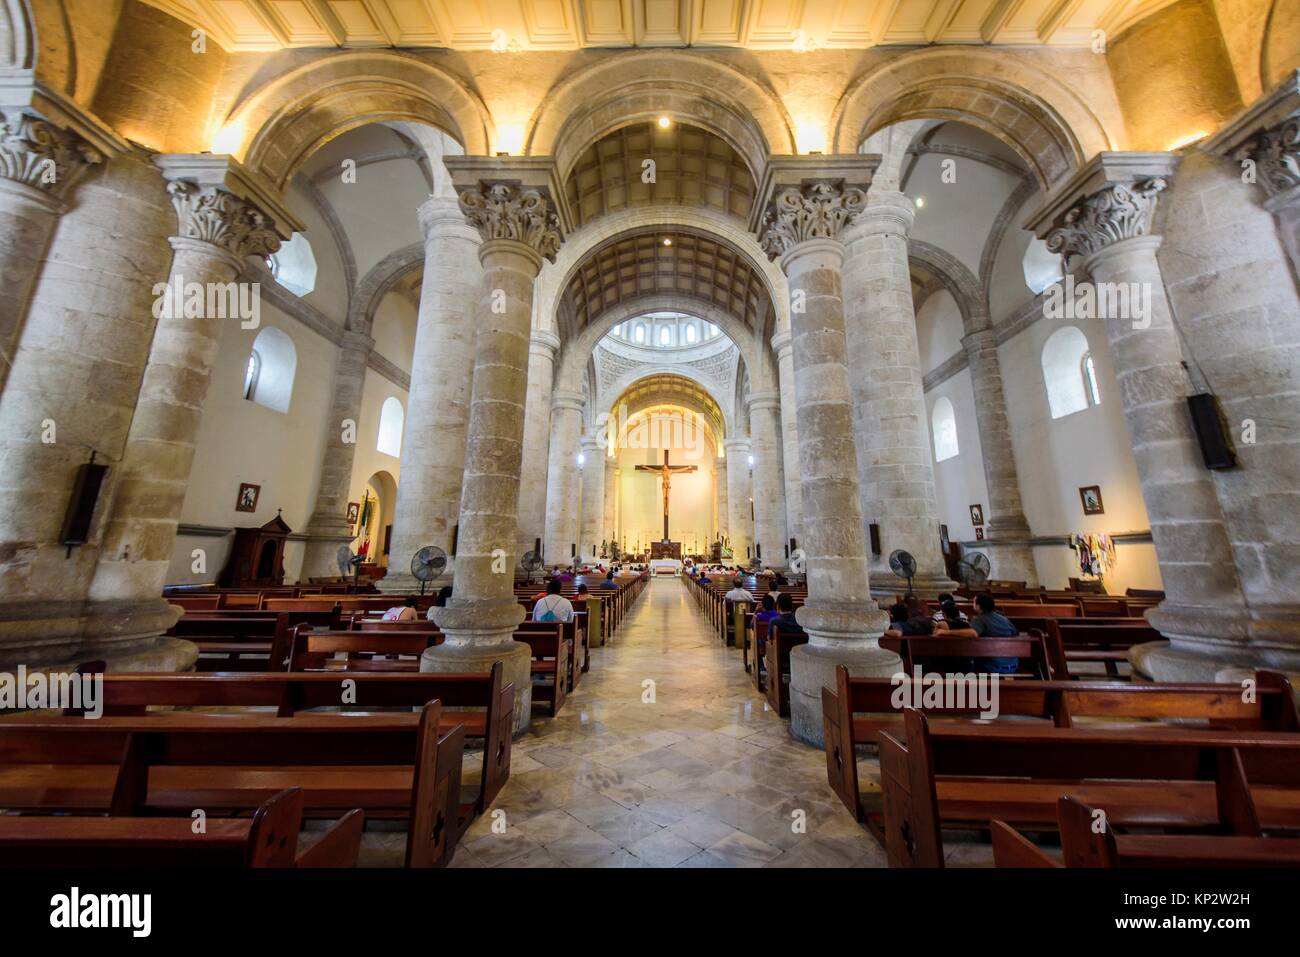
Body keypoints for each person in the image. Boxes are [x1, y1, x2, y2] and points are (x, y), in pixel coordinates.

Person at [962, 593, 1020, 673]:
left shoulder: (980, 619)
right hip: (1013, 664)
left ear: (978, 606)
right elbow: (1015, 633)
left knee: (968, 662)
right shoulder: (1003, 618)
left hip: (993, 666)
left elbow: (972, 633)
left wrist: (947, 632)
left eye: (974, 602)